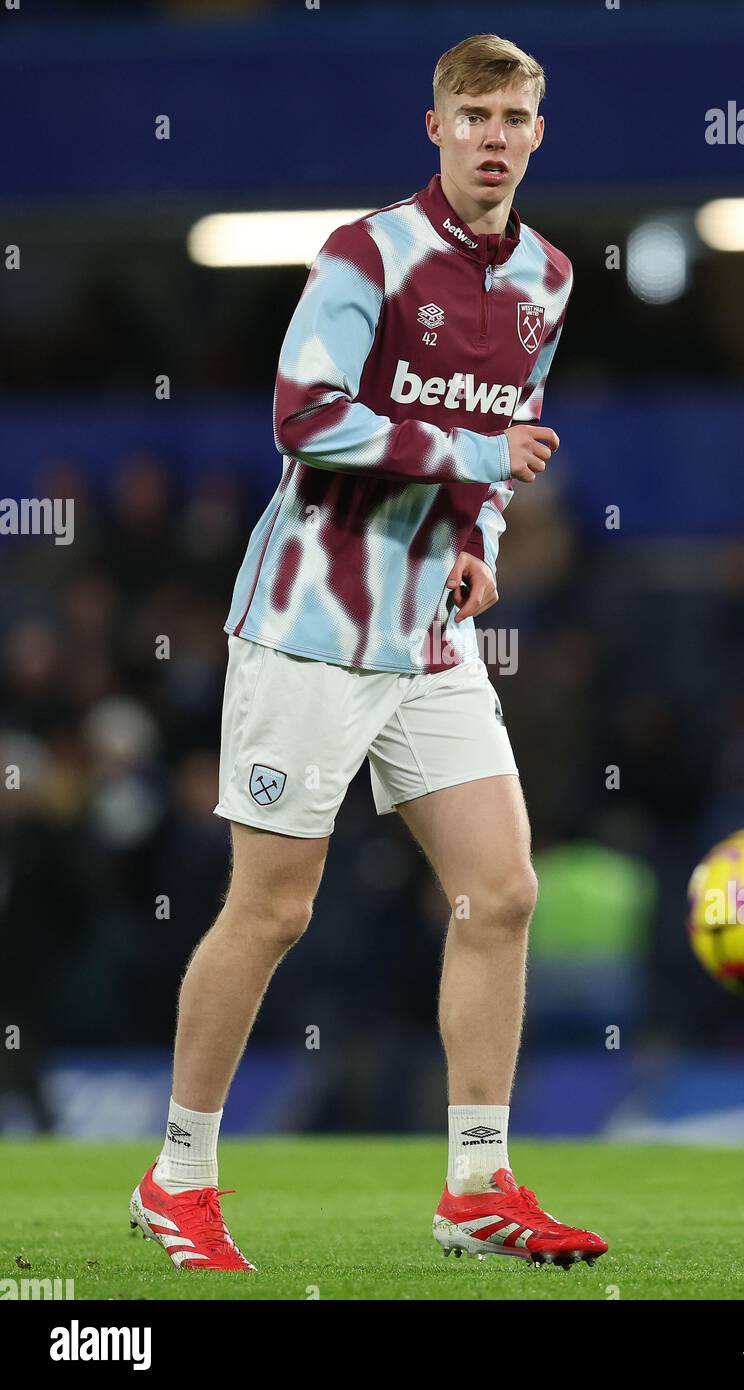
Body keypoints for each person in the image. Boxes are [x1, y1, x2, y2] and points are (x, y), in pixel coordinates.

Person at [130, 32, 607, 1273]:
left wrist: (483, 535)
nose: (495, 136)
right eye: (474, 115)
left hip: (430, 633)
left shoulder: (549, 278)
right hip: (310, 623)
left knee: (501, 891)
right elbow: (306, 414)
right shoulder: (367, 253)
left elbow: (511, 437)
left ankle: (476, 1185)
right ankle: (177, 1177)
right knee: (274, 909)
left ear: (538, 134)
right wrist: (476, 468)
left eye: (515, 117)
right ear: (435, 127)